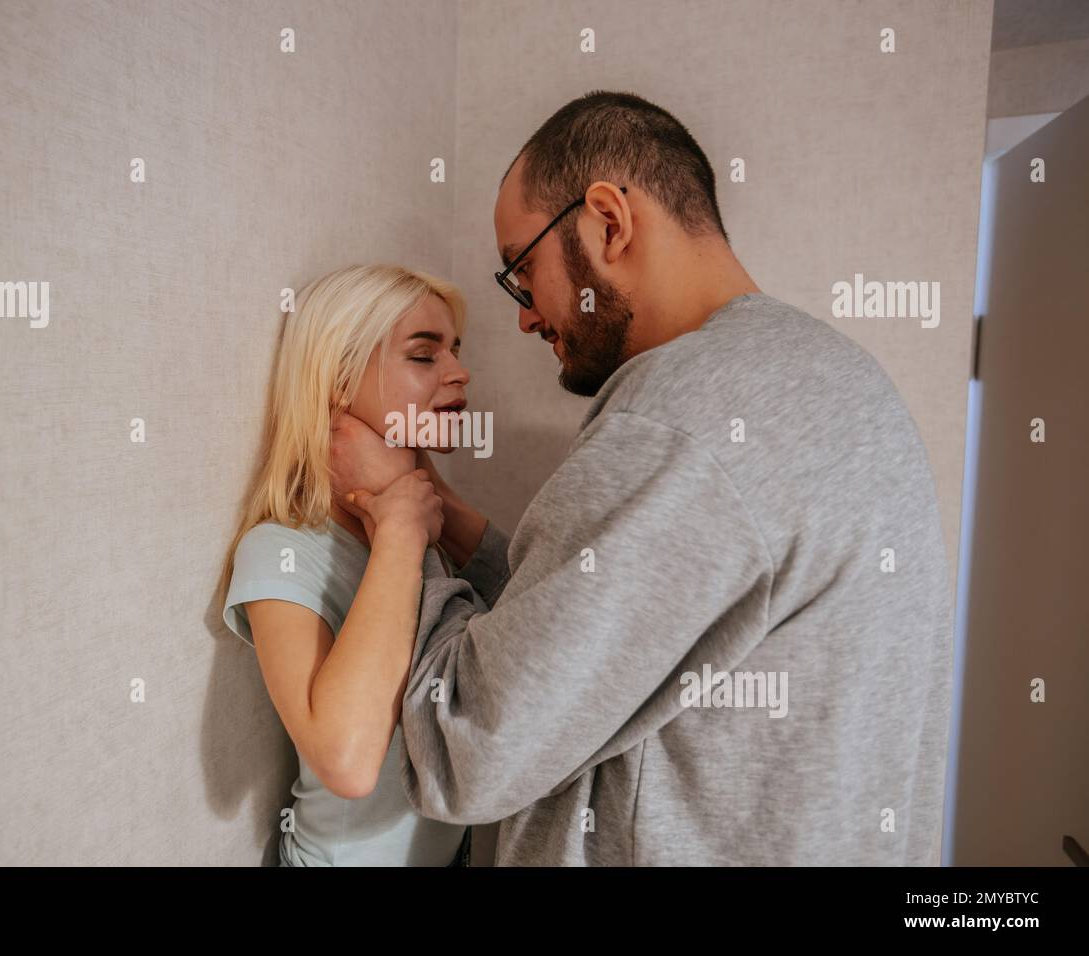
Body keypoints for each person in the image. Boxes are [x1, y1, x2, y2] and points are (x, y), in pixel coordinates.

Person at [330, 90, 955, 865]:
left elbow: (463, 745)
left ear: (608, 222)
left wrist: (401, 524)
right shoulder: (838, 379)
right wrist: (449, 518)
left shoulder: (681, 419)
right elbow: (633, 624)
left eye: (521, 272)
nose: (525, 316)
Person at [217, 263, 481, 866]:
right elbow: (348, 763)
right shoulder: (280, 550)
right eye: (424, 355)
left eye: (455, 350)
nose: (460, 371)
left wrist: (414, 500)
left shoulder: (411, 533)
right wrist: (403, 531)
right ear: (337, 378)